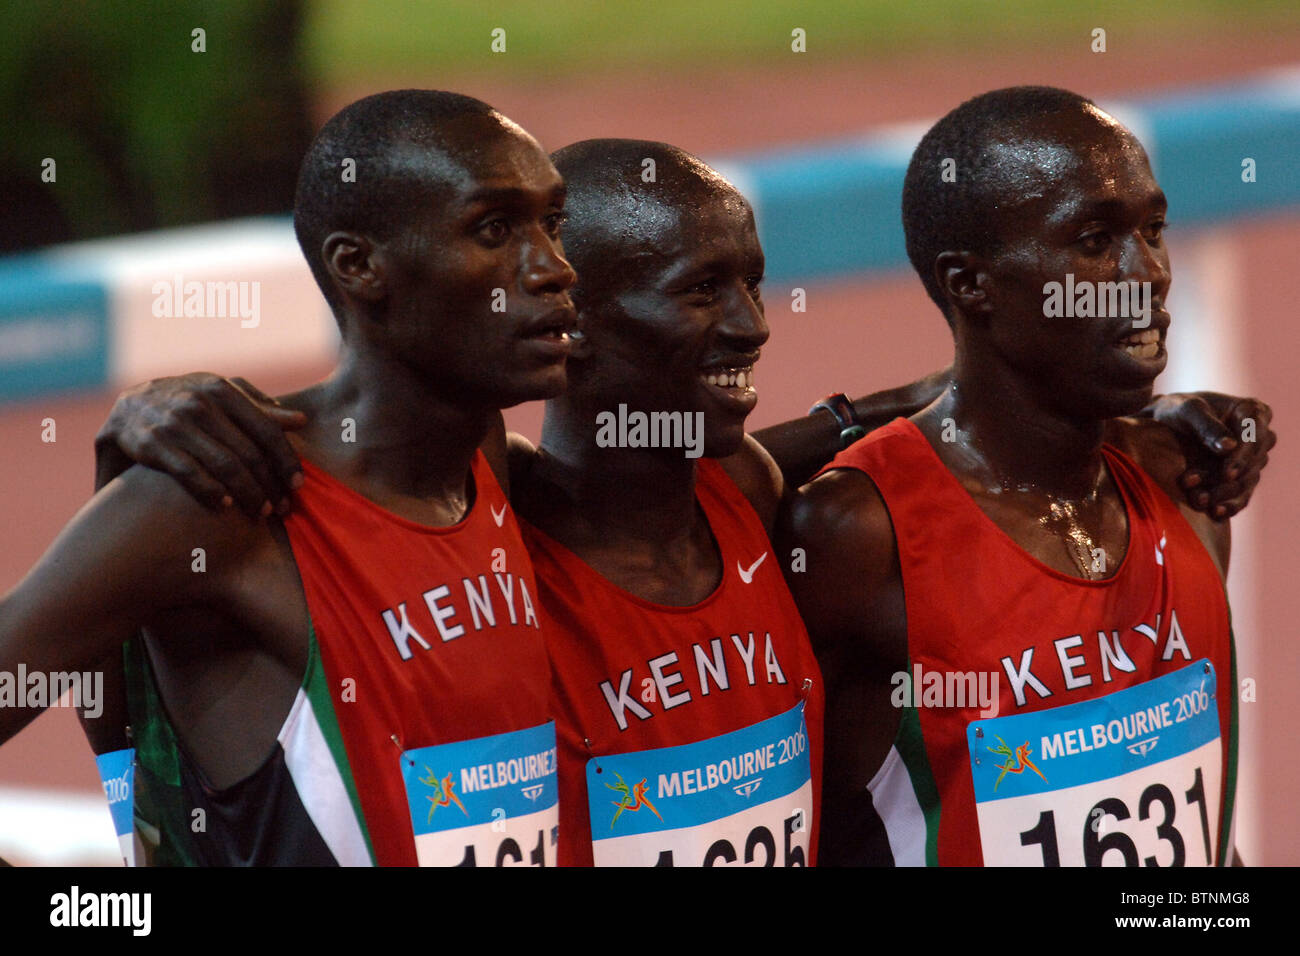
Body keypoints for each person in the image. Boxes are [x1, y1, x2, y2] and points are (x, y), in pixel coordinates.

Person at [93, 132, 1274, 867]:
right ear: (574, 336)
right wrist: (137, 432)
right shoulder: (476, 522)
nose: (757, 329)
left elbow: (841, 429)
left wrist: (1100, 397)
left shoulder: (753, 496)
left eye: (753, 286)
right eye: (704, 292)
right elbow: (122, 683)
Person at [0, 89, 578, 866]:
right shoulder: (217, 498)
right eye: (494, 229)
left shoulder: (486, 462)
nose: (551, 266)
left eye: (553, 221)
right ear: (359, 265)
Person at [781, 86, 1273, 865]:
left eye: (1153, 230)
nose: (1144, 273)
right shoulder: (859, 534)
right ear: (970, 284)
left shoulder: (1188, 483)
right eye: (1091, 241)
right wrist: (872, 412)